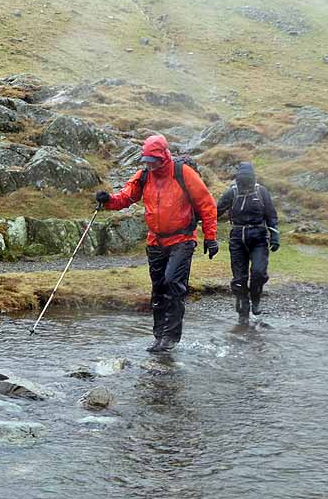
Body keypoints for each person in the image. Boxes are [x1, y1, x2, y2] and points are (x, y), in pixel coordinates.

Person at [95, 135, 218, 352]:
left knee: (173, 282)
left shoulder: (183, 173)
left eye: (153, 160)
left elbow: (207, 204)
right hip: (155, 241)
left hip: (182, 240)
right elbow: (125, 197)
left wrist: (210, 237)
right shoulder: (144, 176)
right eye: (146, 160)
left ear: (163, 157)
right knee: (158, 288)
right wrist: (108, 201)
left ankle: (170, 338)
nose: (149, 165)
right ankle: (159, 336)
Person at [216, 162, 279, 325]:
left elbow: (271, 214)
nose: (244, 183)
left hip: (259, 237)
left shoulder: (262, 191)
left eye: (247, 180)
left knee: (258, 273)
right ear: (237, 179)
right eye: (241, 180)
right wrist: (198, 219)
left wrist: (275, 235)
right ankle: (242, 311)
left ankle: (256, 298)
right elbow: (215, 211)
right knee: (239, 277)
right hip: (237, 238)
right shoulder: (232, 192)